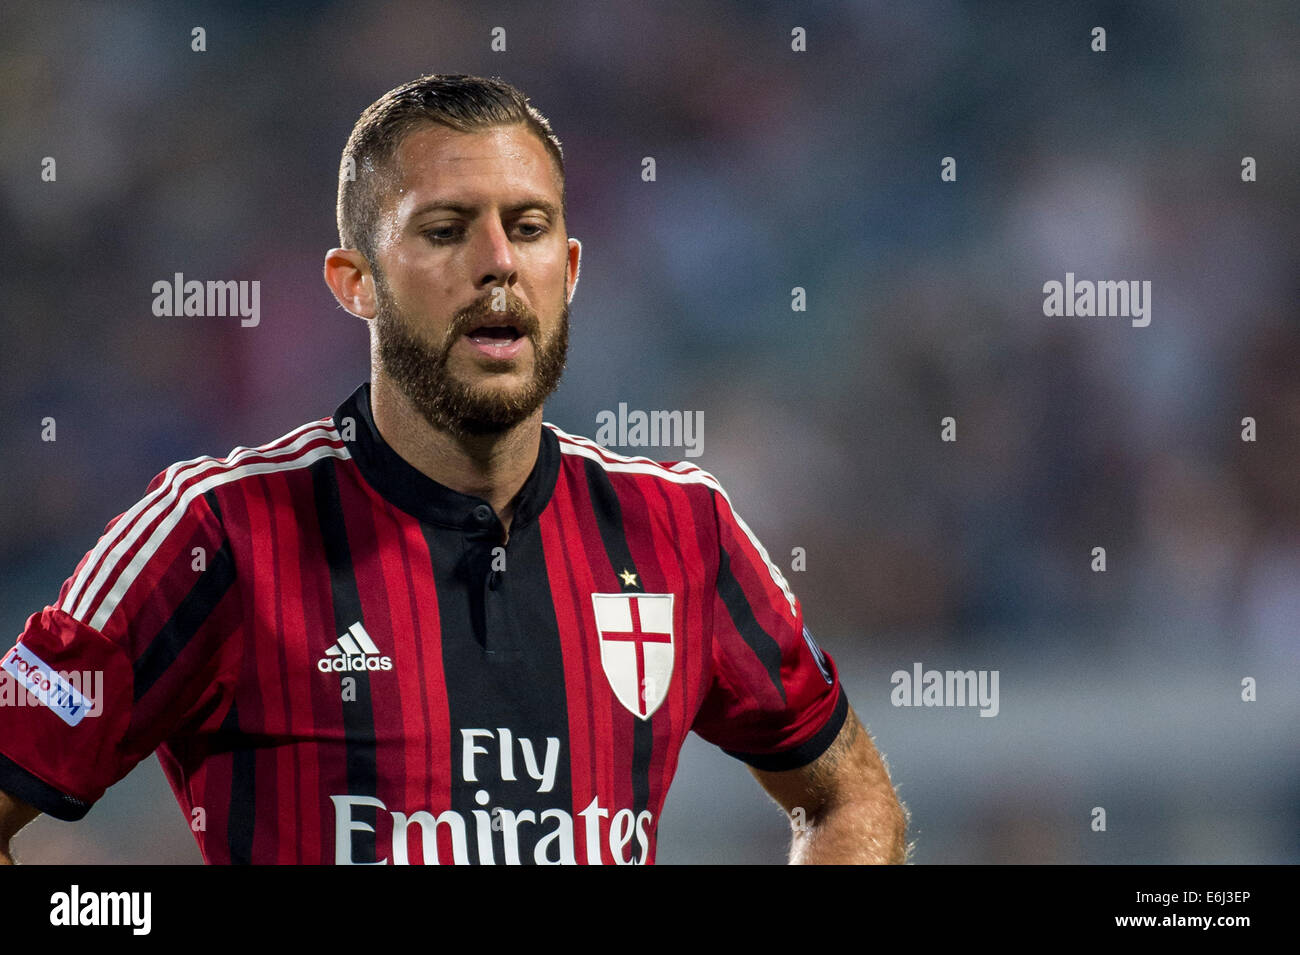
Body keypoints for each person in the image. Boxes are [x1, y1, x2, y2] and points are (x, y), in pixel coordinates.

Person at [0, 74, 906, 865]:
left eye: (530, 227)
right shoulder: (215, 534)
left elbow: (848, 797)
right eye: (445, 229)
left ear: (571, 267)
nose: (499, 262)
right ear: (357, 282)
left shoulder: (680, 529)